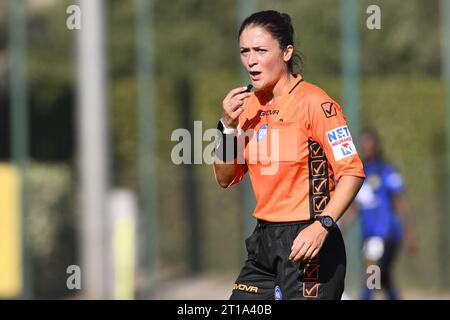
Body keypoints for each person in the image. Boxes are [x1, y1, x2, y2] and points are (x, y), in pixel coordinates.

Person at [212, 10, 365, 300]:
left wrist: (323, 225)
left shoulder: (316, 103)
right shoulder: (247, 107)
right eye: (245, 51)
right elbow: (224, 177)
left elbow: (352, 171)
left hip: (309, 243)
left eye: (260, 50)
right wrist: (227, 128)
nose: (251, 61)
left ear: (286, 52)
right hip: (263, 242)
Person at [343, 130, 417, 300]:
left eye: (369, 142)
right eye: (363, 143)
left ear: (376, 145)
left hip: (386, 234)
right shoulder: (360, 173)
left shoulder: (386, 171)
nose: (365, 146)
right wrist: (340, 227)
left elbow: (400, 202)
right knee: (383, 278)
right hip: (370, 236)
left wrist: (409, 233)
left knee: (371, 274)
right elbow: (355, 207)